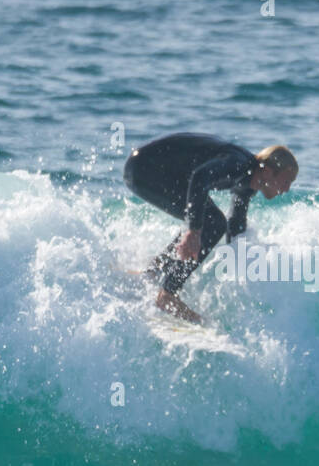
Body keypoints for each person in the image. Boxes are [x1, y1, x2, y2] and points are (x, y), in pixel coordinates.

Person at [123, 133, 298, 323]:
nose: (287, 189)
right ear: (267, 171)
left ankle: (153, 274)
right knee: (213, 222)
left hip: (155, 171)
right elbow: (200, 177)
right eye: (286, 181)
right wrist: (194, 230)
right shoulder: (238, 164)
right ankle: (167, 295)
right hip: (145, 168)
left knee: (212, 221)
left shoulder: (248, 183)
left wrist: (242, 261)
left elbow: (235, 225)